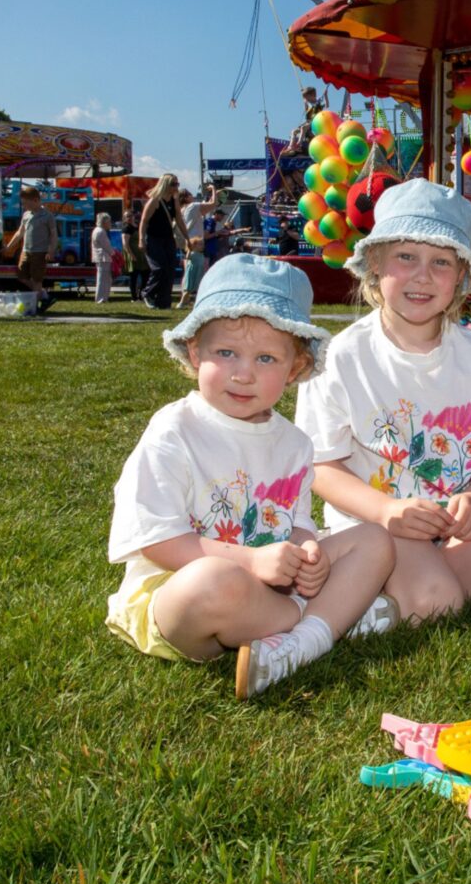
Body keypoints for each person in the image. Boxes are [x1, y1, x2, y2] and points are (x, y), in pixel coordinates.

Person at [105, 255, 397, 697]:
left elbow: (295, 524)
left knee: (374, 540)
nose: (244, 373)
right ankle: (330, 623)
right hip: (181, 598)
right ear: (194, 351)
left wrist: (307, 552)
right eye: (226, 353)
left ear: (295, 368)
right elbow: (157, 541)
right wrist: (252, 562)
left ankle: (300, 641)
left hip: (271, 587)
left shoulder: (294, 444)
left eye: (266, 358)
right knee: (216, 581)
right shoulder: (174, 432)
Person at [296, 179, 471, 620]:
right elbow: (321, 466)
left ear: (462, 276)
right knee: (435, 603)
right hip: (374, 527)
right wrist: (386, 510)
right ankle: (360, 592)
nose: (422, 275)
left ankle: (434, 572)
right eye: (406, 256)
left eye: (441, 262)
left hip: (460, 525)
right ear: (376, 262)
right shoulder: (341, 358)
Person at [2, 185, 58, 314]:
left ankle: (36, 306)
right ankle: (44, 296)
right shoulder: (26, 215)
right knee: (22, 276)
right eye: (23, 203)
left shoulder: (47, 216)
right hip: (26, 251)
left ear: (36, 200)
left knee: (37, 279)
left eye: (26, 203)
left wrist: (51, 250)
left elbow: (54, 235)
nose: (24, 205)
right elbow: (19, 232)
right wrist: (9, 246)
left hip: (40, 252)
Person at [138, 175, 185, 310]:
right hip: (153, 238)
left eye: (177, 184)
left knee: (170, 270)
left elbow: (179, 220)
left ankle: (163, 302)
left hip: (168, 238)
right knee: (159, 268)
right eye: (174, 184)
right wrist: (141, 239)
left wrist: (187, 237)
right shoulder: (155, 201)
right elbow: (144, 221)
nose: (176, 187)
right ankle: (148, 293)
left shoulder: (174, 200)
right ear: (166, 185)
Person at [176, 185, 217, 309]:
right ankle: (185, 300)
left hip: (187, 243)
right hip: (196, 243)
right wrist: (214, 189)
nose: (192, 195)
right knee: (196, 272)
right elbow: (213, 204)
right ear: (186, 197)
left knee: (189, 271)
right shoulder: (193, 207)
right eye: (189, 194)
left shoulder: (181, 210)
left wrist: (212, 194)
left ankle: (185, 299)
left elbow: (207, 204)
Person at [122, 202, 147, 302]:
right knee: (134, 277)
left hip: (141, 255)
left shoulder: (137, 226)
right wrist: (131, 255)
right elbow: (125, 244)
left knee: (146, 274)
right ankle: (134, 297)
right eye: (127, 216)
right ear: (124, 218)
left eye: (131, 215)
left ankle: (141, 295)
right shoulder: (126, 229)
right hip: (133, 254)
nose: (130, 217)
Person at [91, 212, 115, 304]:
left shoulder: (97, 230)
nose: (110, 224)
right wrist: (113, 253)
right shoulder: (100, 231)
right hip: (103, 257)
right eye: (109, 222)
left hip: (101, 257)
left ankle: (103, 297)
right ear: (104, 222)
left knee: (104, 278)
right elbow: (107, 246)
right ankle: (101, 298)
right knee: (103, 279)